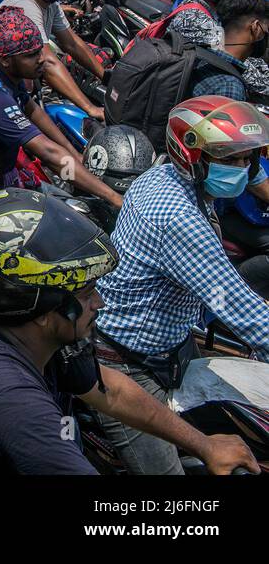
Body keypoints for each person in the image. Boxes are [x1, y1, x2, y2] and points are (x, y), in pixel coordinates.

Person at [0, 188, 255, 475]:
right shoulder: (10, 399)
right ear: (41, 308)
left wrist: (205, 444)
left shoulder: (27, 336)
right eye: (86, 293)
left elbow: (112, 392)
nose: (99, 302)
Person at [93, 97, 269, 473]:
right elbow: (241, 309)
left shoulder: (166, 176)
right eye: (229, 159)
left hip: (170, 343)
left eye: (245, 159)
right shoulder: (177, 217)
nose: (241, 169)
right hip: (127, 367)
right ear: (191, 155)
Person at [0, 8, 123, 230]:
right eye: (31, 55)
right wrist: (114, 198)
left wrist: (75, 155)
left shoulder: (2, 75)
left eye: (39, 51)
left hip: (2, 181)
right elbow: (48, 154)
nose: (42, 59)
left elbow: (34, 111)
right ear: (5, 59)